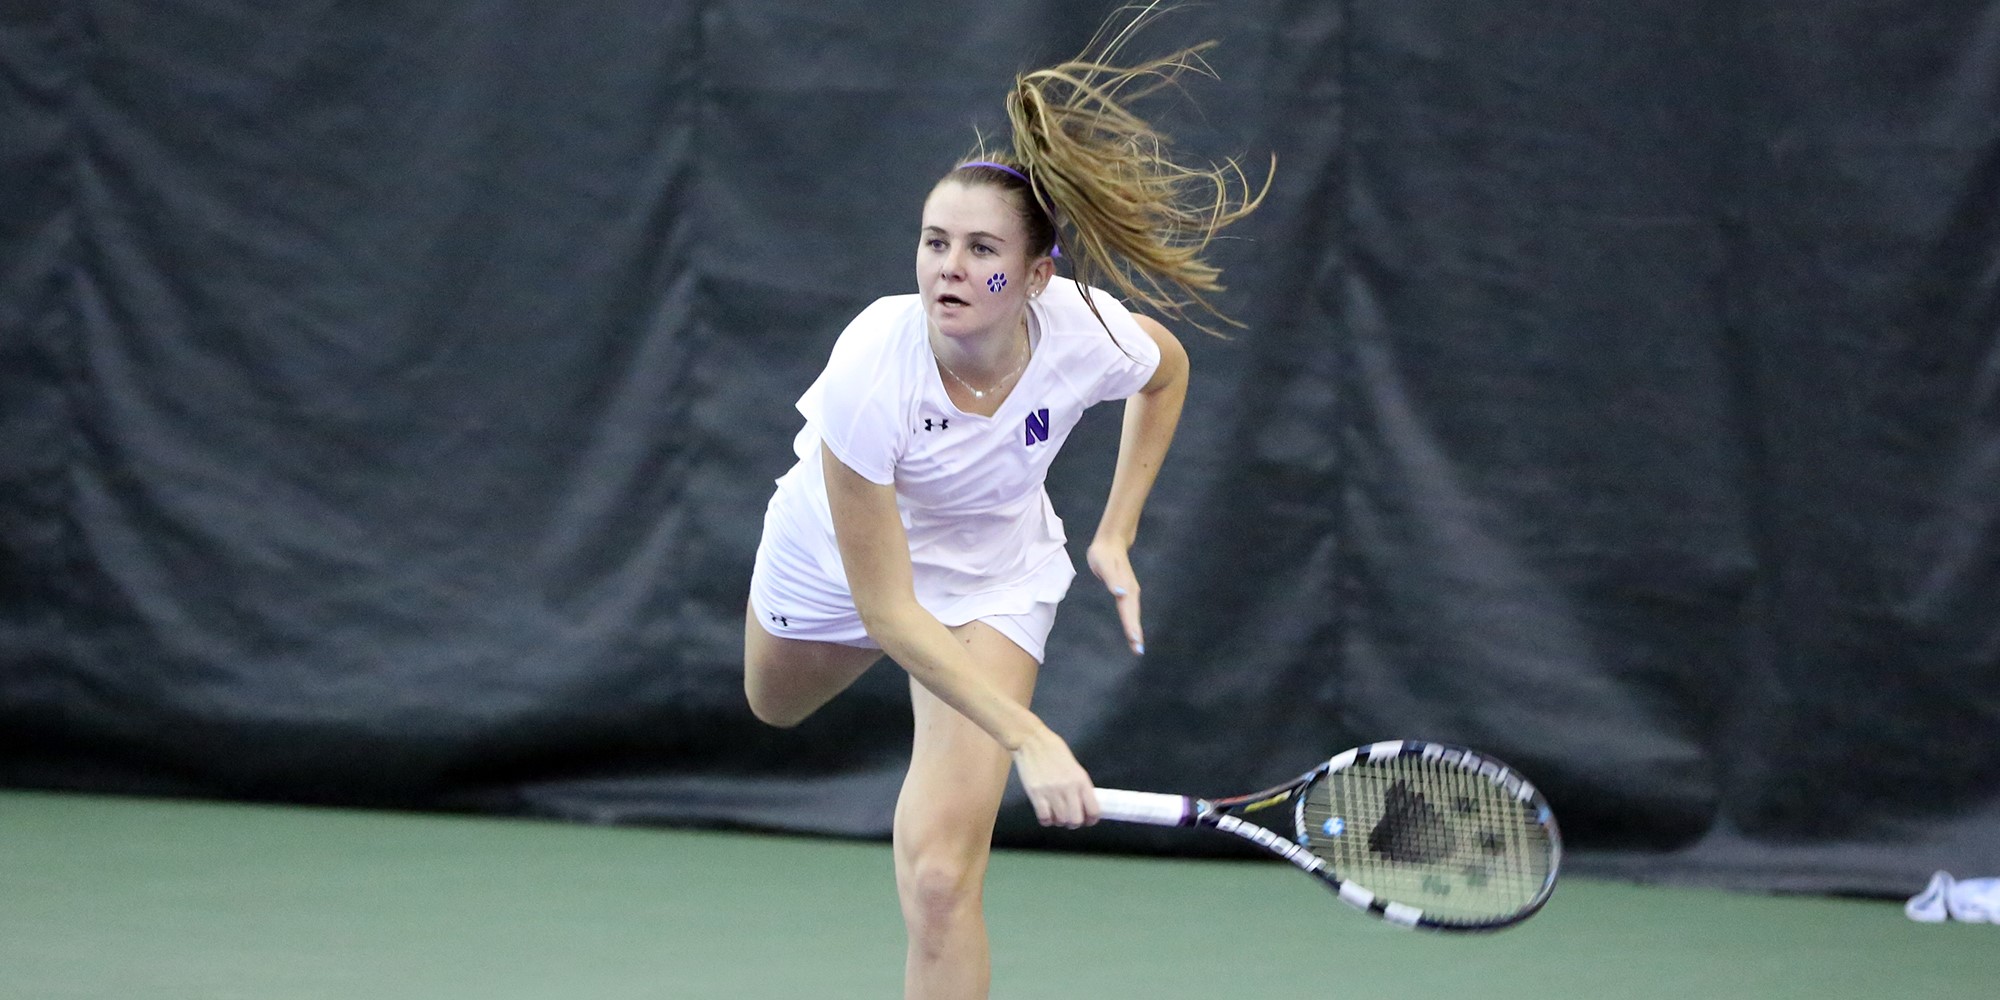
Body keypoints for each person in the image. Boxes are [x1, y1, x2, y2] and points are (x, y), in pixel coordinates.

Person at [742, 9, 1268, 998]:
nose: (948, 264)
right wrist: (1030, 737)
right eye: (933, 240)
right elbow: (889, 610)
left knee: (939, 877)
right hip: (844, 566)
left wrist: (1114, 532)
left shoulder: (1082, 332)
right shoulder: (871, 366)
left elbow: (1167, 372)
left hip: (991, 577)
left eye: (978, 248)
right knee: (771, 703)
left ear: (1034, 276)